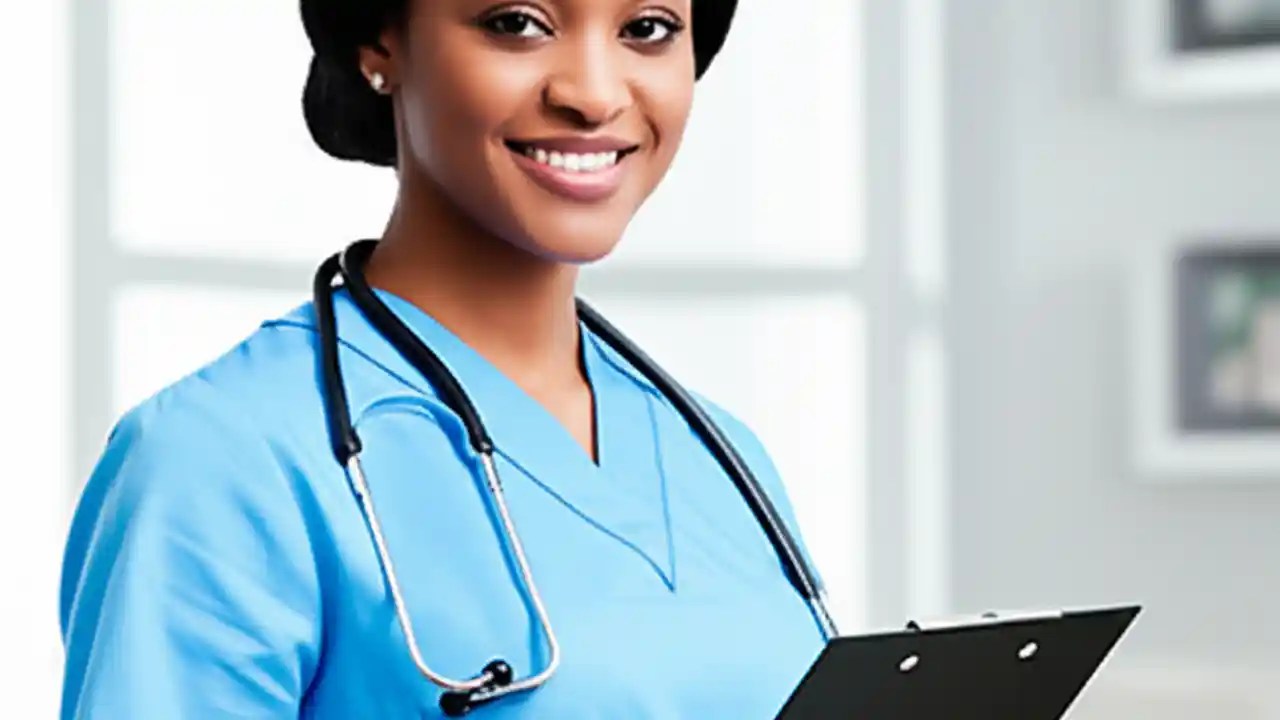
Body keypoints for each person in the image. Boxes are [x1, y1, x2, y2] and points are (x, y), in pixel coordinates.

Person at [59, 1, 829, 716]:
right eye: (518, 23)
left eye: (649, 28)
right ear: (379, 41)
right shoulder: (220, 461)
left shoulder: (724, 462)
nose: (594, 95)